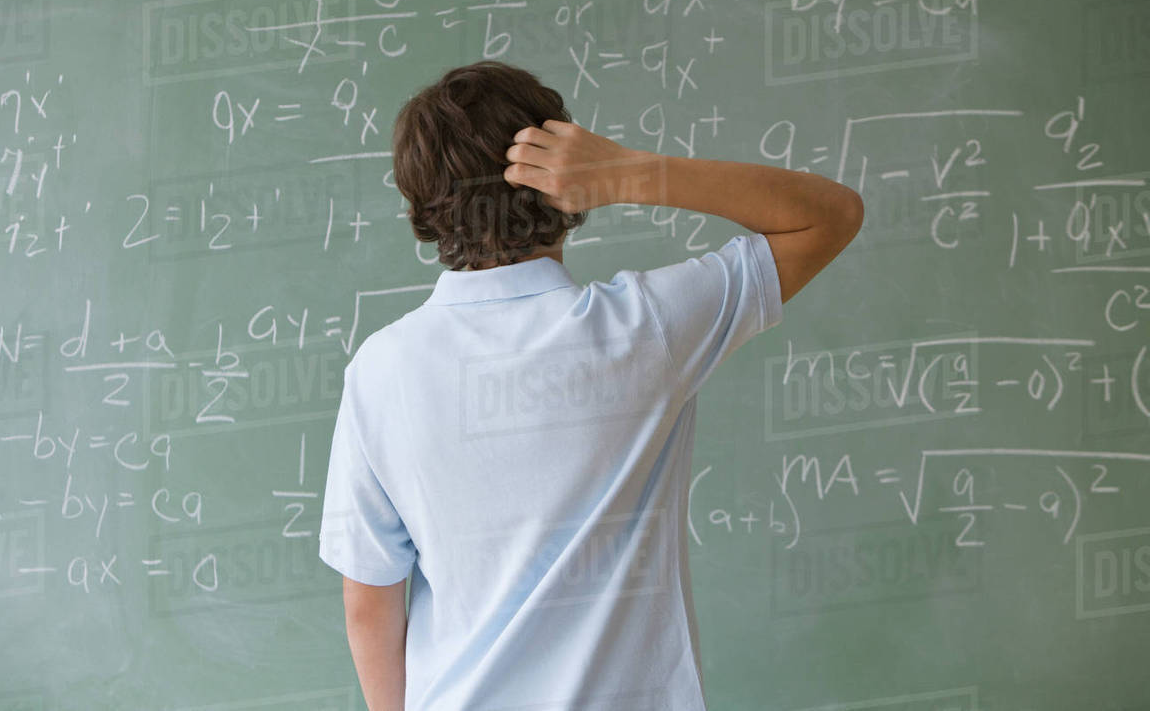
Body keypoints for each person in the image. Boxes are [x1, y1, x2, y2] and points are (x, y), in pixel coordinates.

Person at [318, 60, 863, 710]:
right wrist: (628, 171)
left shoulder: (380, 371)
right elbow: (831, 215)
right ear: (566, 178)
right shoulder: (644, 329)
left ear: (422, 207)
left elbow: (369, 604)